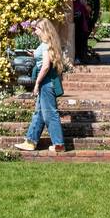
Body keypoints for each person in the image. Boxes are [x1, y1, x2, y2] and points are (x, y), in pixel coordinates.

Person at [14, 18, 67, 155]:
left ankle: (59, 144)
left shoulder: (46, 45)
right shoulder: (46, 44)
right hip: (46, 82)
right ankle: (30, 142)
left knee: (50, 113)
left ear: (43, 30)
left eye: (36, 28)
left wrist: (37, 83)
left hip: (46, 83)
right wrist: (34, 54)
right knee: (40, 113)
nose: (34, 31)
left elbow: (45, 66)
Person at [72, 0, 92, 66]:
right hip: (79, 16)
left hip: (75, 15)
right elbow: (84, 2)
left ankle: (78, 57)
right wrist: (88, 8)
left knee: (77, 37)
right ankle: (79, 57)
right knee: (80, 37)